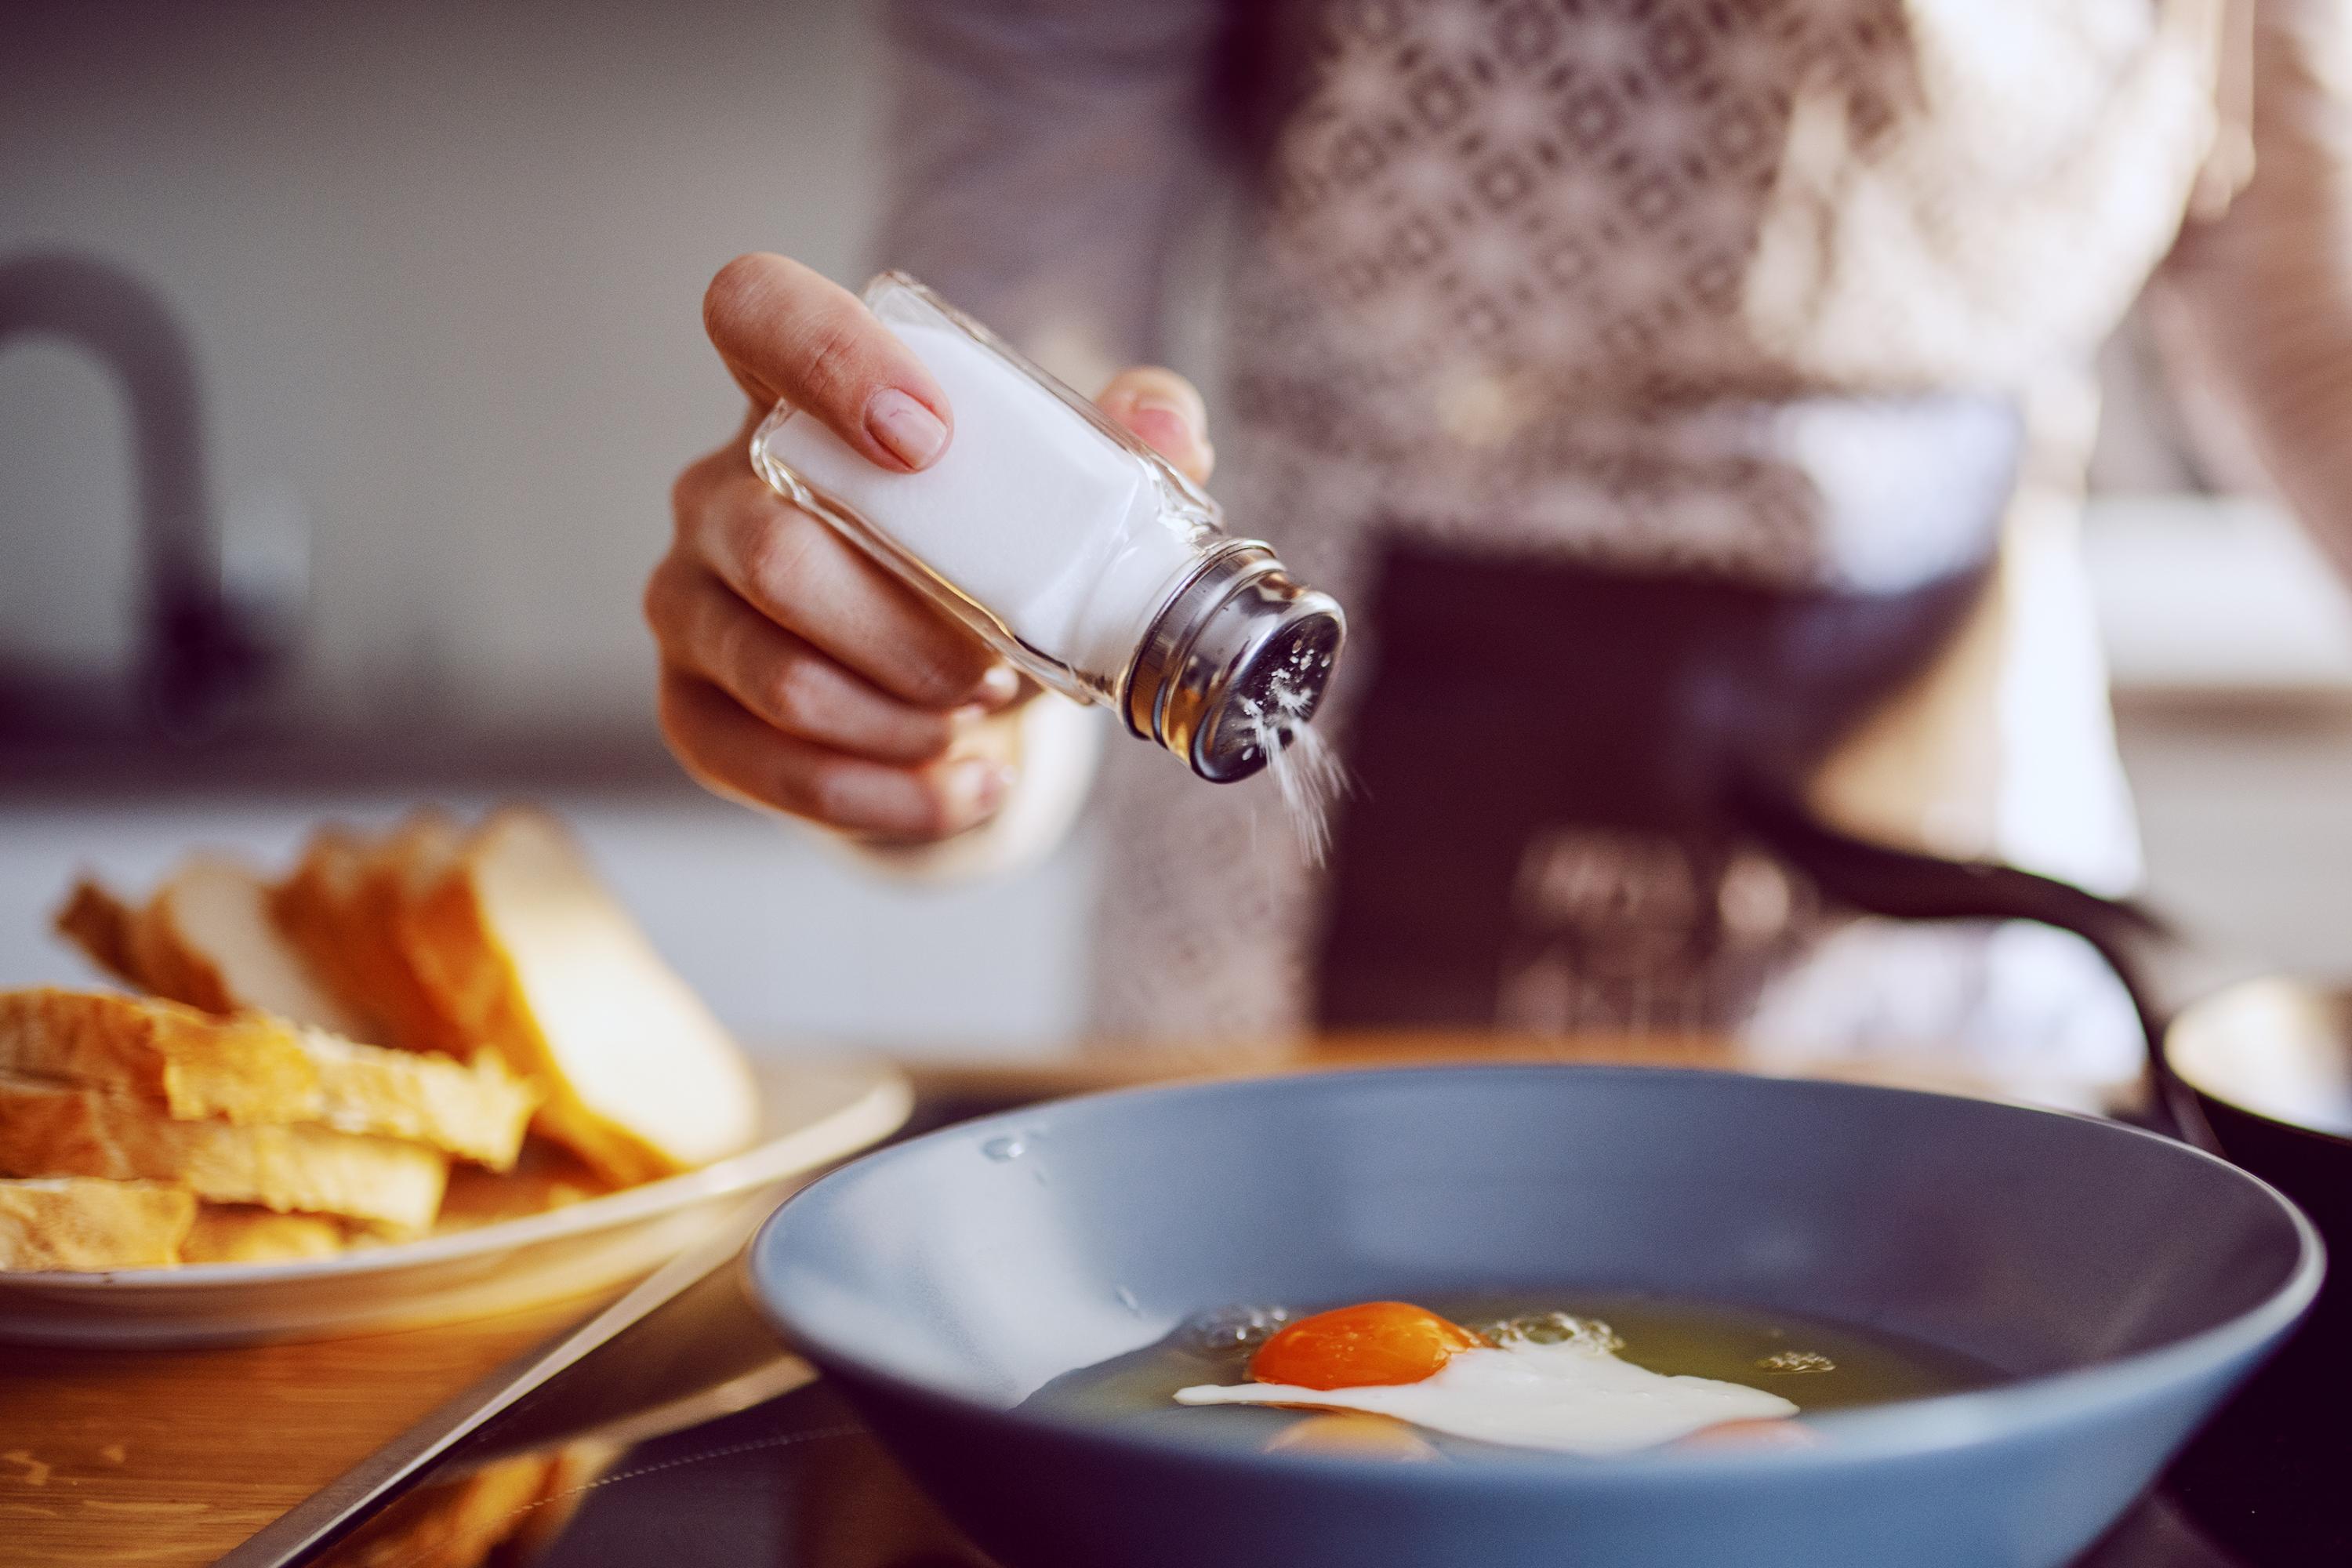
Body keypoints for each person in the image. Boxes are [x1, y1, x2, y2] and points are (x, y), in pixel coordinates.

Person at [647, 0, 2352, 1068]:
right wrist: (930, 706)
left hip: (1954, 975)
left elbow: (2309, 304)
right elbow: (1034, 310)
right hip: (1293, 942)